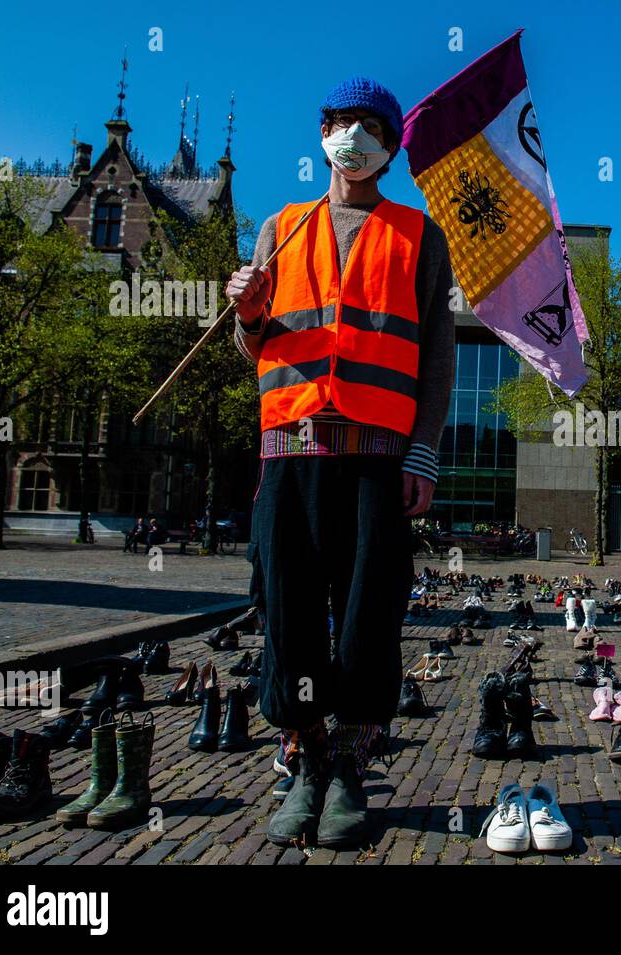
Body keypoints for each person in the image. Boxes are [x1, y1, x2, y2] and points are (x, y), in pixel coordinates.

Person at [227, 76, 455, 849]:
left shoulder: (419, 235)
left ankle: (352, 766)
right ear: (321, 131)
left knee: (367, 617)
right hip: (290, 455)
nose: (350, 137)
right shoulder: (280, 228)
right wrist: (248, 313)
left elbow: (437, 358)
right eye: (339, 122)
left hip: (378, 460)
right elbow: (252, 346)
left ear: (389, 145)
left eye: (368, 126)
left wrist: (423, 451)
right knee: (288, 612)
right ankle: (304, 760)